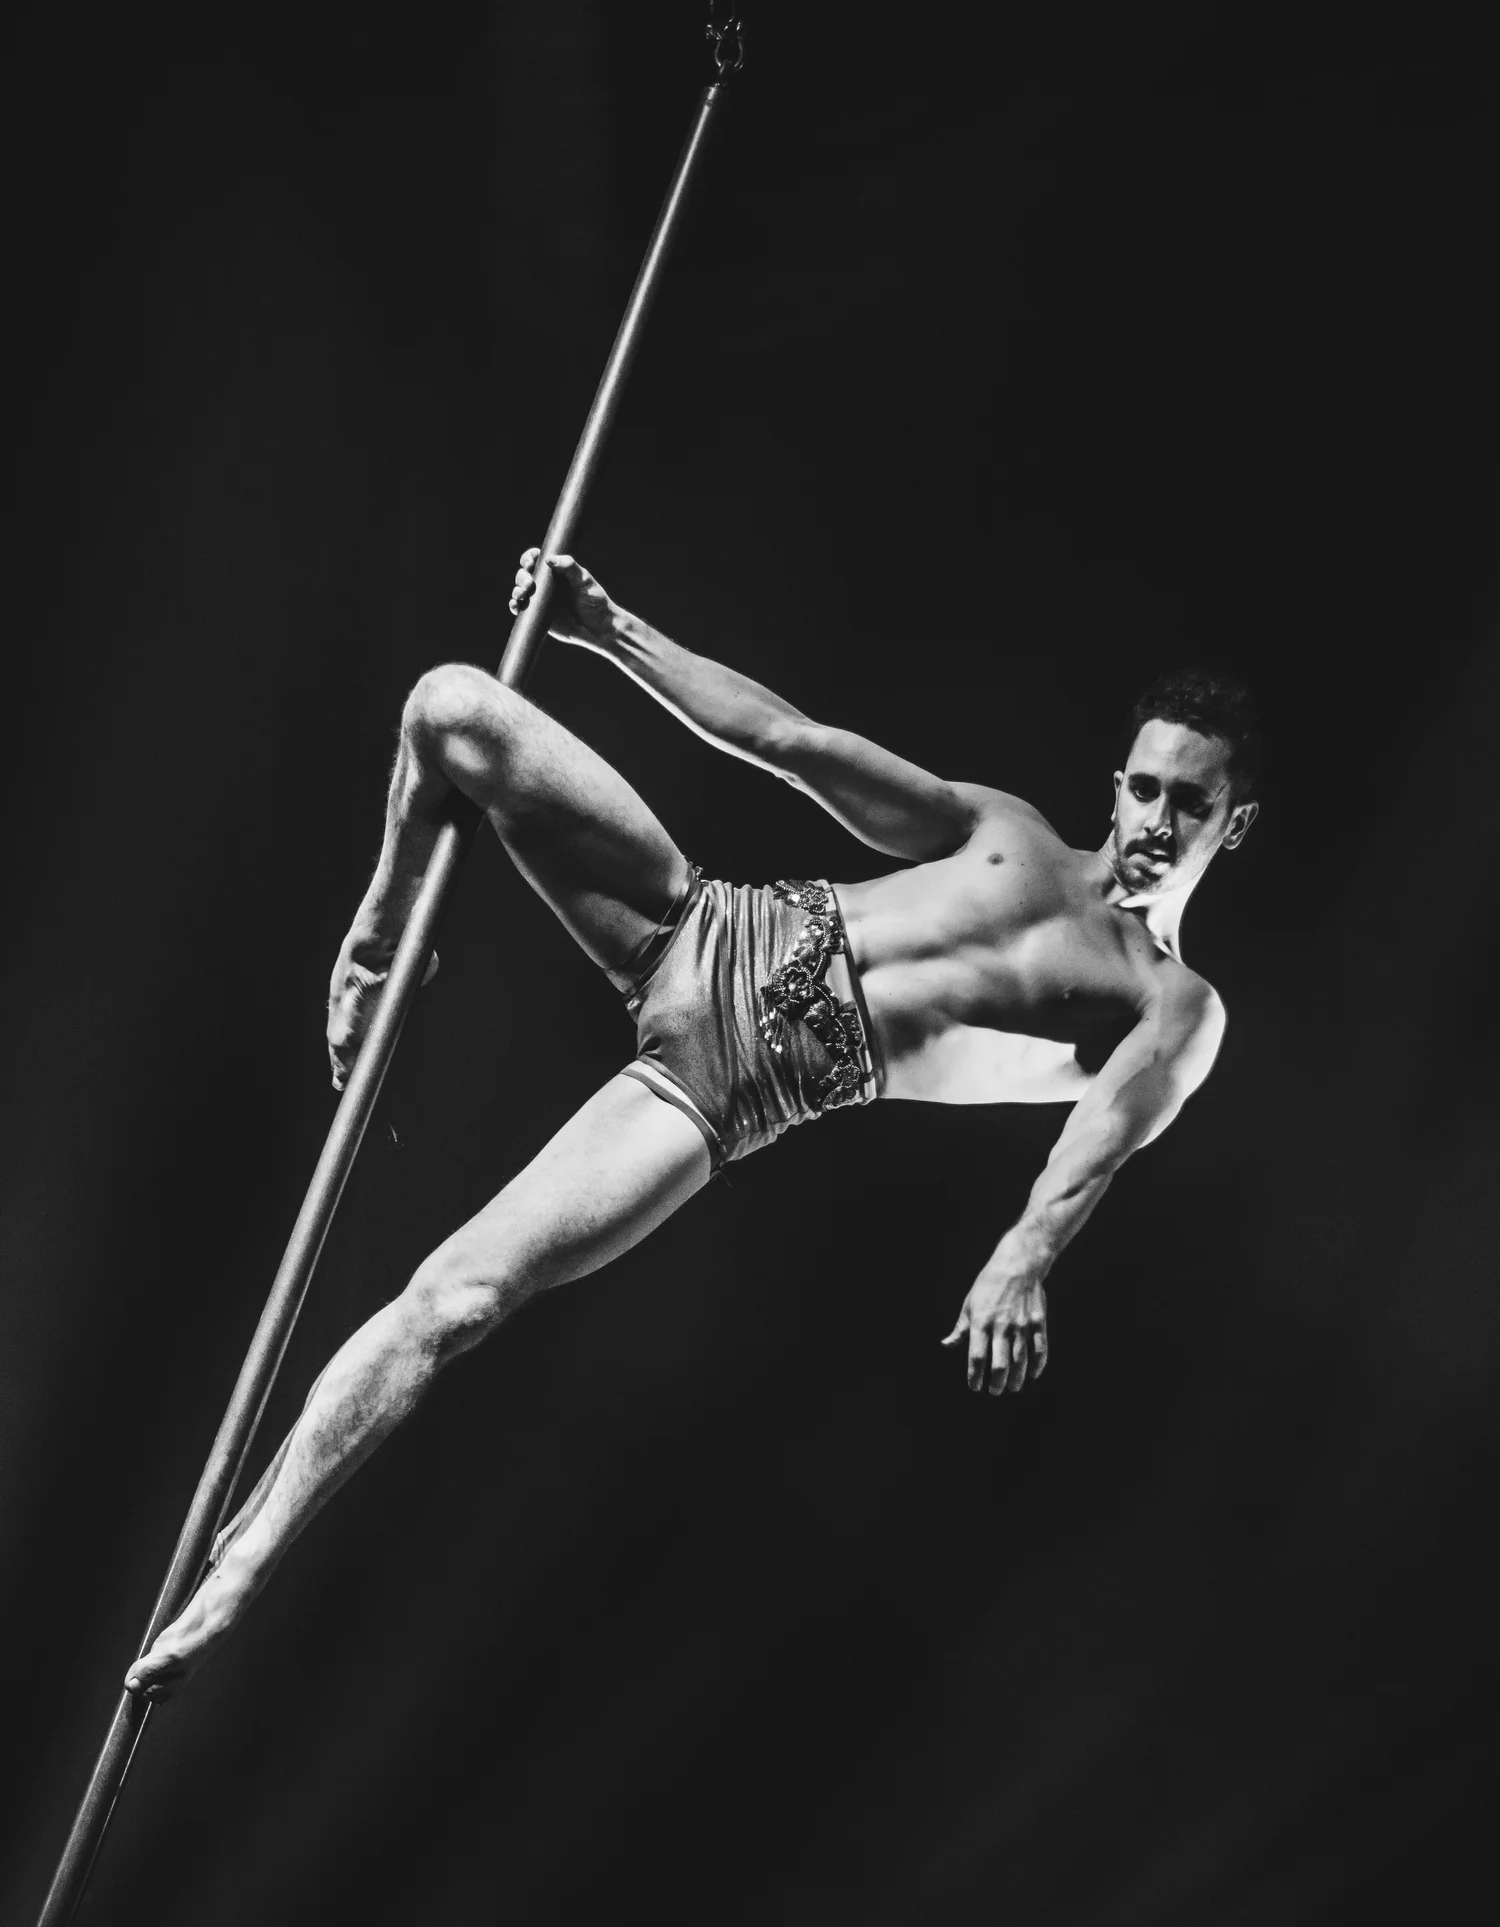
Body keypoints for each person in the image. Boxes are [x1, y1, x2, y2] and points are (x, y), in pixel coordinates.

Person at [126, 548, 1259, 1698]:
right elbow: (788, 741)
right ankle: (379, 942)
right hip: (699, 922)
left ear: (1236, 823)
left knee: (455, 1298)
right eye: (1146, 788)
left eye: (1192, 804)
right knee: (453, 706)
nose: (1158, 820)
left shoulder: (1170, 1003)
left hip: (729, 1086)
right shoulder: (1006, 827)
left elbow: (1103, 1134)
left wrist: (1024, 1253)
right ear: (1116, 783)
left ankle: (248, 1557)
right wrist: (605, 627)